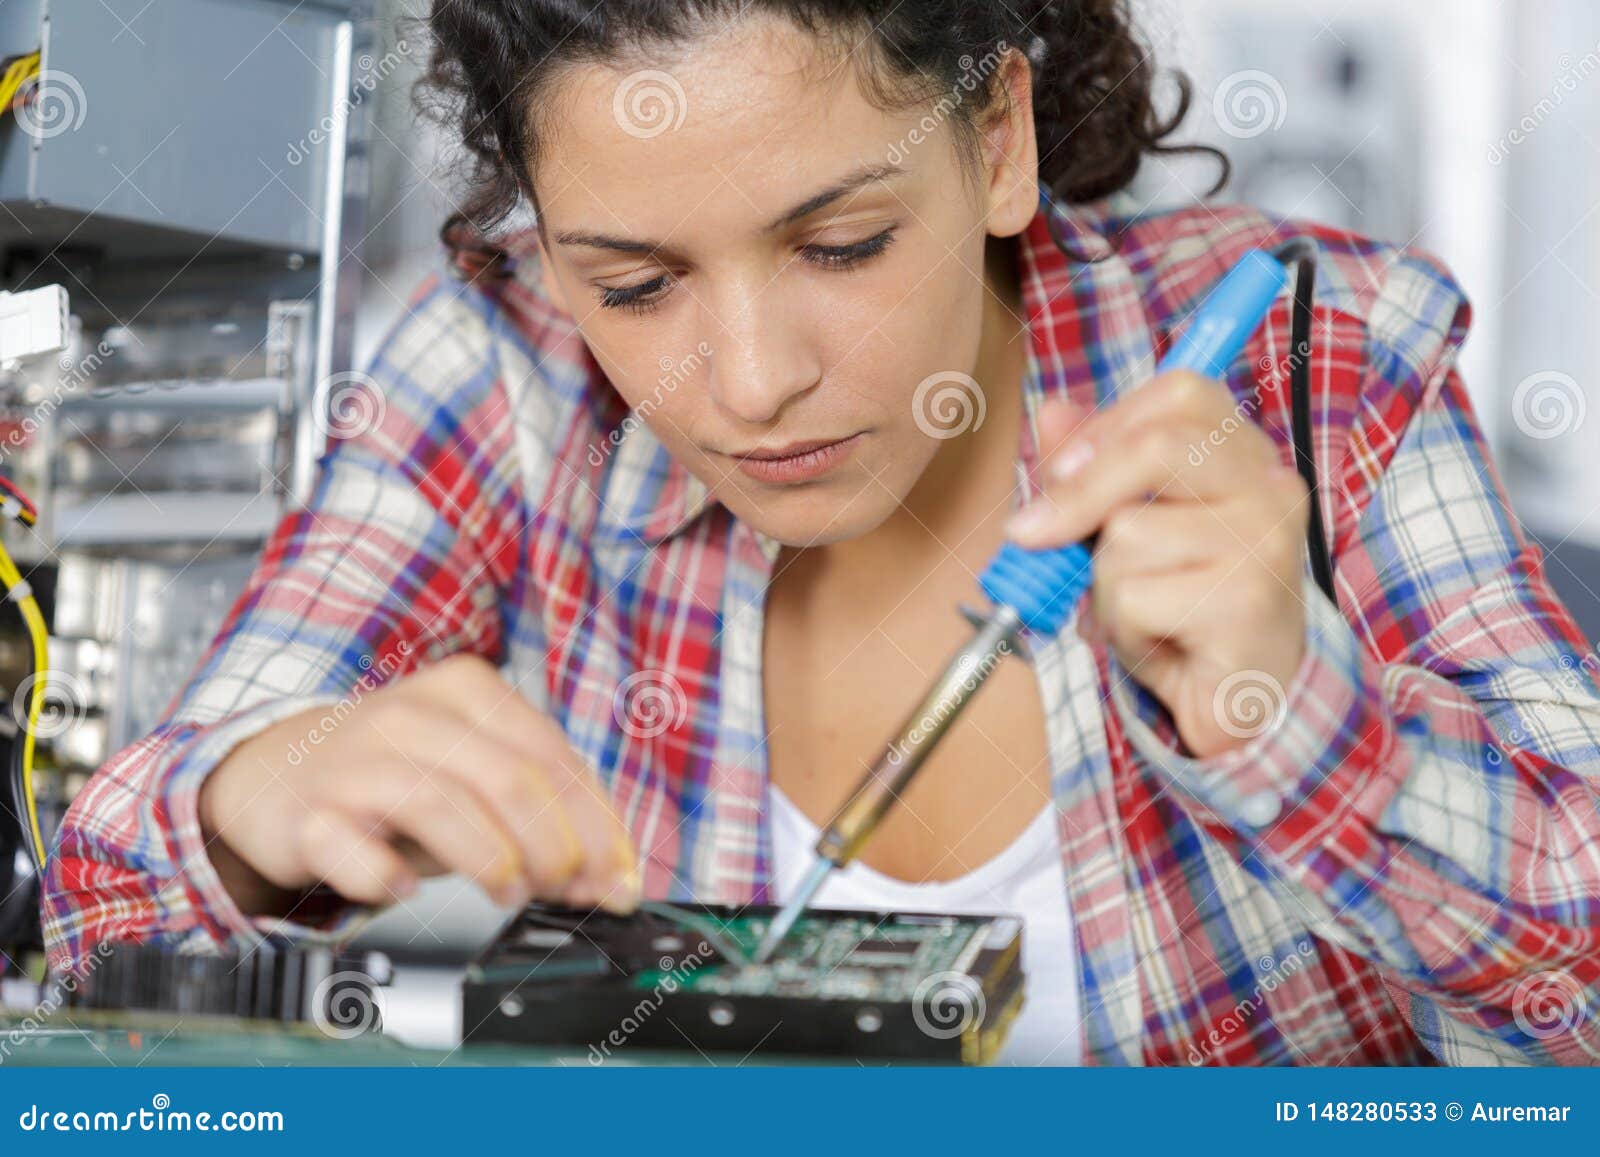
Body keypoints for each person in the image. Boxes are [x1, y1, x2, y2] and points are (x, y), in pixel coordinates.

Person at [42, 1, 1600, 1066]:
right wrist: (254, 797)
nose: (755, 381)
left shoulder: (1318, 354)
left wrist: (1306, 720)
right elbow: (93, 914)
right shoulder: (508, 374)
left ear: (995, 136)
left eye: (841, 241)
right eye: (636, 283)